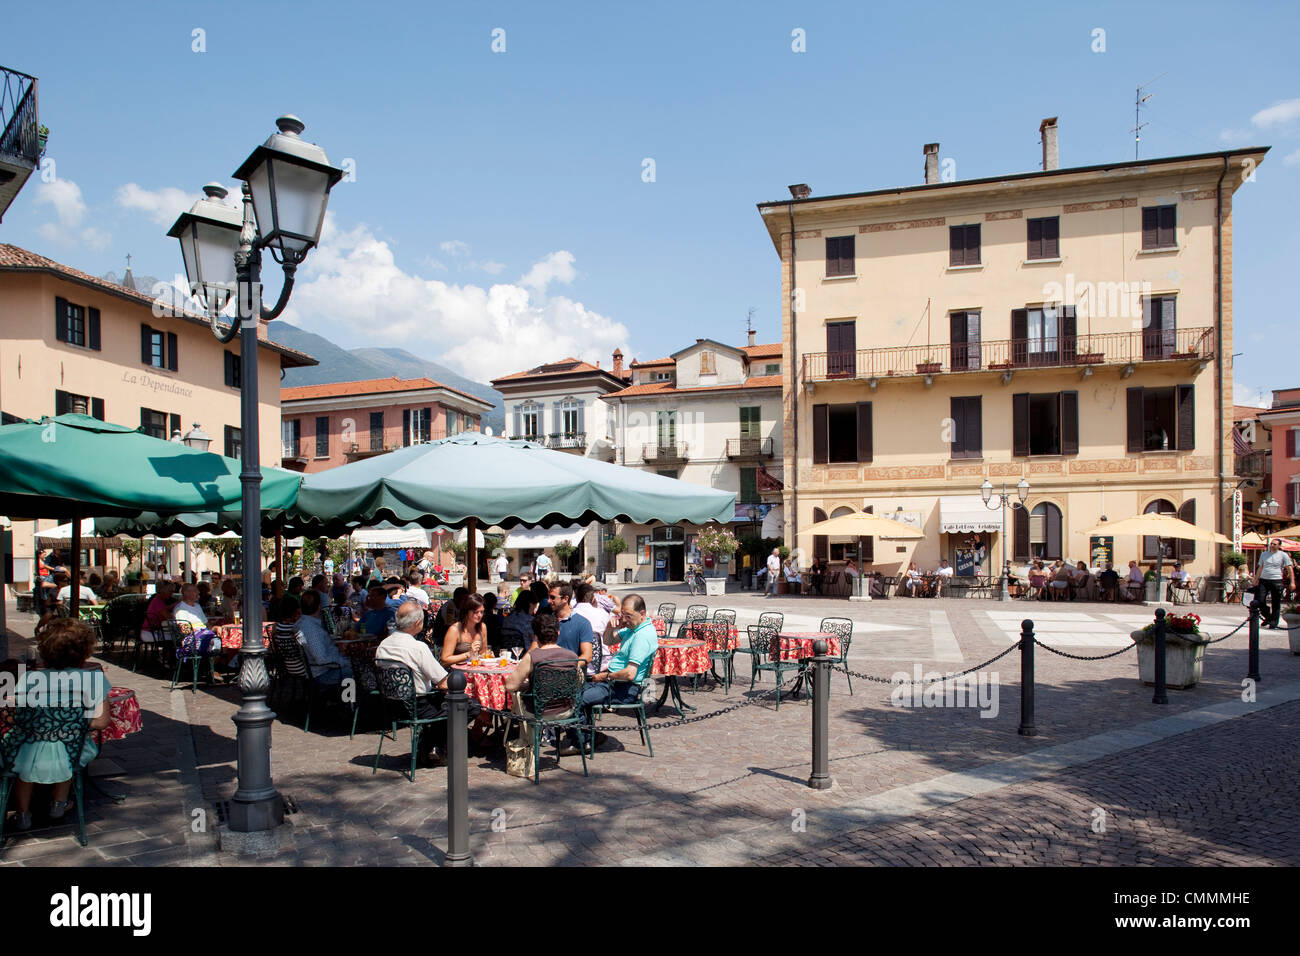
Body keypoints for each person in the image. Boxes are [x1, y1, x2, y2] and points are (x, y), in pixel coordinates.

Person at [5, 618, 112, 832]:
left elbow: (13, 717)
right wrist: (70, 722)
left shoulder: (29, 679)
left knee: (21, 754)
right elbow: (101, 722)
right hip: (69, 751)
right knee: (70, 747)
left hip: (28, 751)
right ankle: (59, 803)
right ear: (85, 650)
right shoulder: (94, 680)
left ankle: (23, 813)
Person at [376, 600, 481, 767]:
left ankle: (432, 744)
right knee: (470, 706)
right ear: (418, 623)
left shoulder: (383, 645)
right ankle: (434, 745)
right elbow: (442, 682)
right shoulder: (417, 647)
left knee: (448, 704)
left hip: (391, 706)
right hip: (418, 705)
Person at [582, 594, 659, 746]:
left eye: (628, 616)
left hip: (624, 688)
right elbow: (608, 640)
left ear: (642, 614)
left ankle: (584, 740)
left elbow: (630, 673)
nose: (624, 620)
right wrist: (610, 627)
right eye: (623, 615)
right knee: (575, 691)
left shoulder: (642, 635)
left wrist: (605, 676)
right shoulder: (634, 627)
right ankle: (587, 736)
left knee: (579, 698)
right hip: (613, 683)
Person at [297, 590, 352, 684]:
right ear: (319, 607)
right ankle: (348, 698)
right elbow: (321, 659)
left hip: (313, 670)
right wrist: (344, 662)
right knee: (354, 670)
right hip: (320, 674)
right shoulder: (310, 629)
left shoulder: (302, 624)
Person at [547, 583, 594, 668]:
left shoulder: (583, 623)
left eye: (552, 597)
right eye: (549, 597)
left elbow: (587, 656)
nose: (548, 601)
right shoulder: (546, 621)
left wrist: (567, 668)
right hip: (547, 672)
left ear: (565, 599)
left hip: (570, 675)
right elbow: (535, 647)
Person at [1254, 538, 1294, 628]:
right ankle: (1268, 617)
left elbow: (1289, 569)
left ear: (1279, 546)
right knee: (1259, 600)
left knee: (1276, 602)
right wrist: (1255, 579)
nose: (1272, 545)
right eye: (1271, 544)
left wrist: (1292, 582)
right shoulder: (1264, 554)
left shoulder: (1283, 555)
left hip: (1276, 580)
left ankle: (1274, 622)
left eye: (1274, 544)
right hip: (1263, 580)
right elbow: (1260, 567)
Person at [442, 593, 489, 665]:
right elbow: (445, 660)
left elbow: (482, 653)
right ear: (466, 611)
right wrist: (469, 654)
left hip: (476, 669)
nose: (479, 615)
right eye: (475, 612)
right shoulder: (455, 630)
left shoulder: (482, 627)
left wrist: (488, 655)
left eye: (482, 612)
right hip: (458, 672)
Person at [501, 589, 537, 656]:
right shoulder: (530, 621)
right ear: (531, 604)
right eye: (534, 606)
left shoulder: (508, 618)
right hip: (524, 655)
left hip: (506, 653)